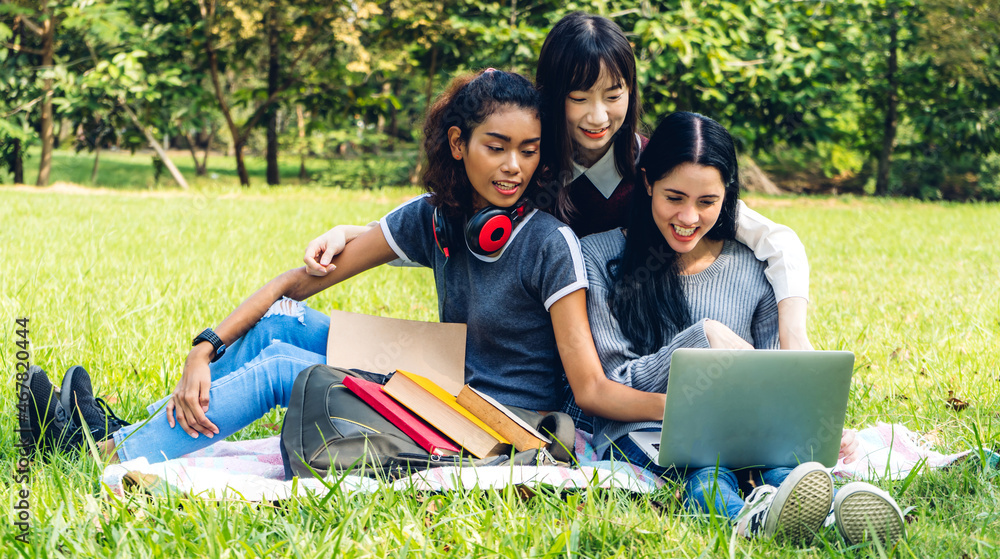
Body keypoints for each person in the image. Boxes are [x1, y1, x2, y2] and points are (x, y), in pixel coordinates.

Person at [23, 69, 665, 466]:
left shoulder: (551, 243)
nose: (512, 168)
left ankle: (101, 454)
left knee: (281, 370)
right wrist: (205, 345)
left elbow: (587, 390)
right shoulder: (437, 214)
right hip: (445, 374)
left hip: (493, 421)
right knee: (284, 326)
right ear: (457, 143)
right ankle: (120, 430)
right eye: (496, 148)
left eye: (528, 152)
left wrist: (679, 408)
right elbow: (299, 282)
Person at [303, 13, 812, 377]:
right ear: (551, 97)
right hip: (523, 361)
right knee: (308, 341)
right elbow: (459, 222)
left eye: (613, 96)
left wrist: (793, 336)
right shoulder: (526, 165)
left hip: (624, 354)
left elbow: (774, 240)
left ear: (630, 94)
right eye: (578, 98)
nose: (597, 117)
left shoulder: (658, 167)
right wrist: (359, 233)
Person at [583, 111, 906, 547]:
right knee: (706, 472)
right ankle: (748, 521)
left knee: (788, 470)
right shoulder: (599, 257)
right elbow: (612, 382)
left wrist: (818, 427)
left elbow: (776, 374)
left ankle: (833, 514)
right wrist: (702, 339)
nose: (688, 217)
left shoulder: (753, 266)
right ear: (647, 184)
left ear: (727, 196)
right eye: (674, 197)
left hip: (746, 430)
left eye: (707, 202)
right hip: (642, 433)